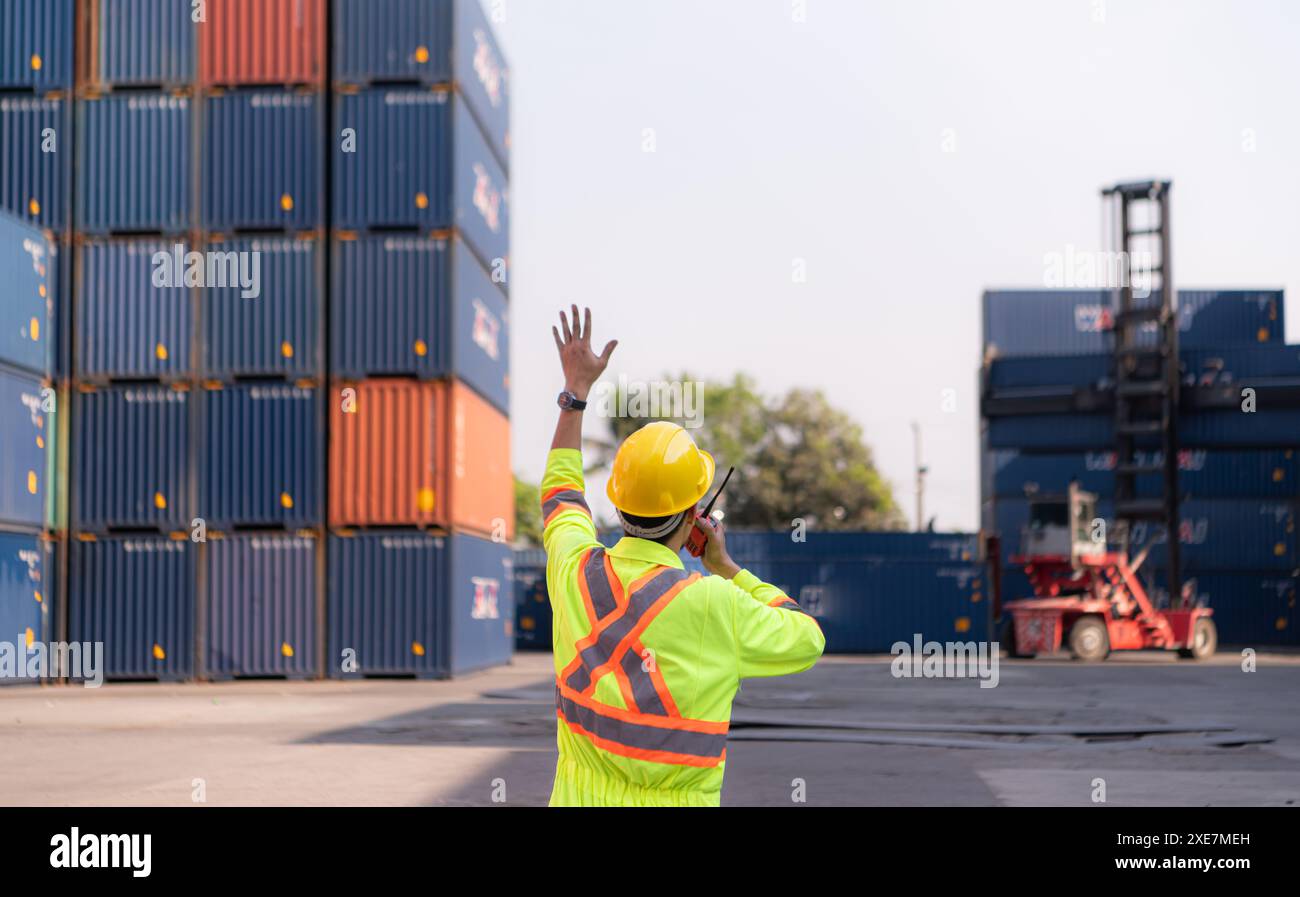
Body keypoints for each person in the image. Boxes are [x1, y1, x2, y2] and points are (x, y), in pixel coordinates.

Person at [541, 306, 826, 807]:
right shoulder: (717, 604)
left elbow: (561, 496)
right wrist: (726, 567)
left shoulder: (573, 571)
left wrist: (575, 394)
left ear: (616, 499)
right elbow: (807, 638)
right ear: (695, 512)